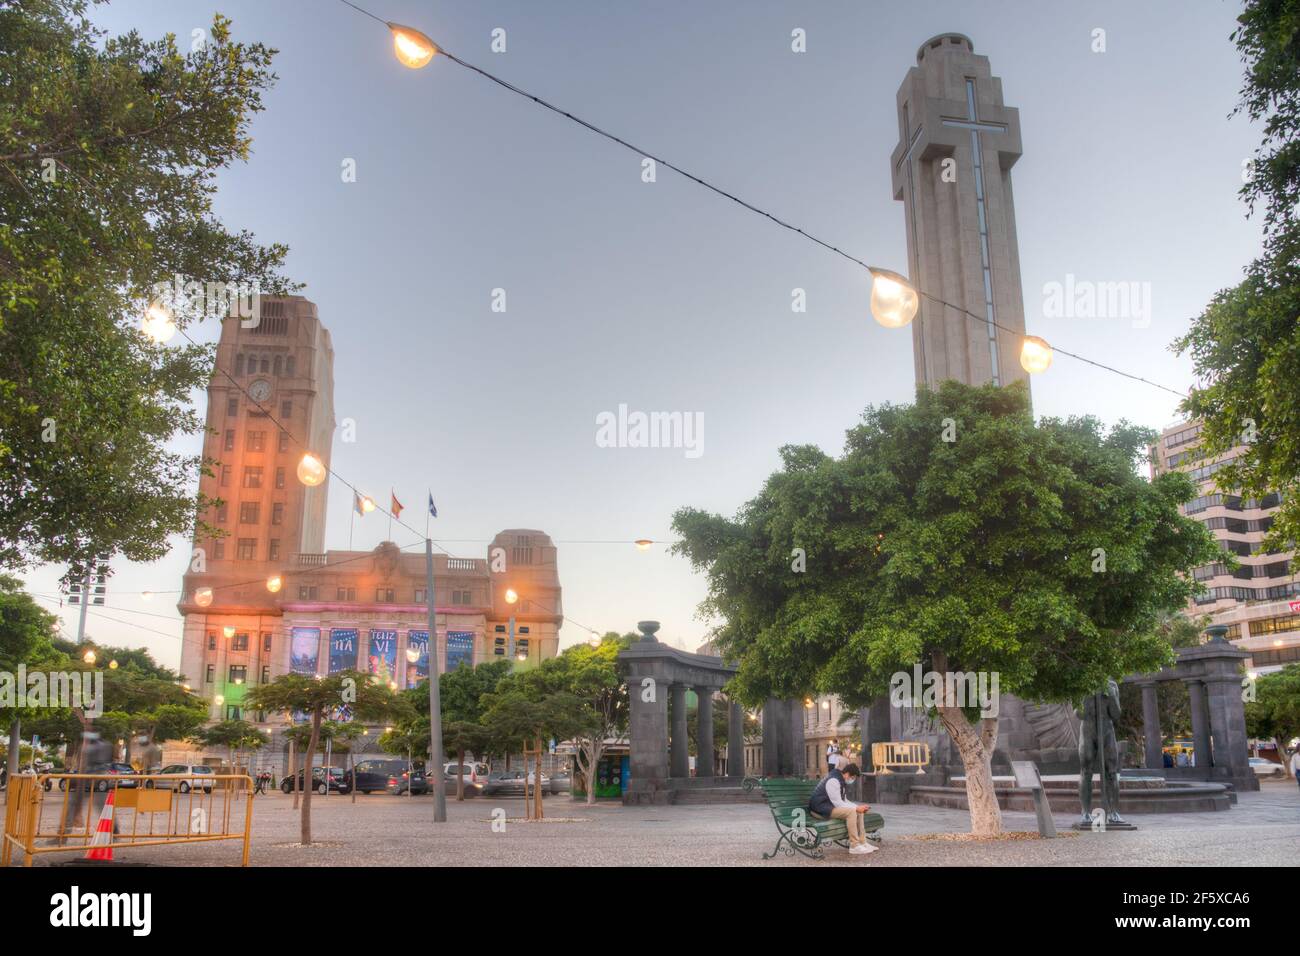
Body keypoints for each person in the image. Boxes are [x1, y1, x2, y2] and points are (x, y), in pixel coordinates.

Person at [809, 761, 876, 855]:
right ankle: (854, 846)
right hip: (820, 810)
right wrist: (856, 809)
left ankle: (862, 842)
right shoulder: (834, 781)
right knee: (852, 812)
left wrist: (858, 807)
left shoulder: (841, 780)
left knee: (859, 811)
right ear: (847, 774)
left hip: (828, 806)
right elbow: (838, 803)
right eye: (853, 778)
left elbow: (844, 800)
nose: (852, 780)